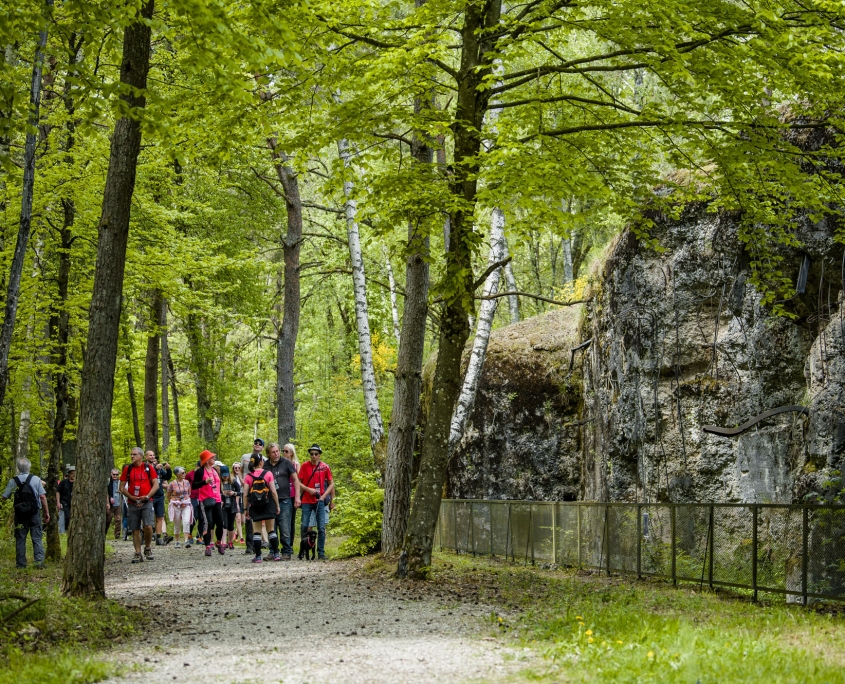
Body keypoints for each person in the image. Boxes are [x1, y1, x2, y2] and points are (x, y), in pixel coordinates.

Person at [2, 457, 49, 569]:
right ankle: (39, 563)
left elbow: (4, 497)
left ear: (18, 467)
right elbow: (42, 497)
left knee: (20, 538)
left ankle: (21, 564)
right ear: (29, 467)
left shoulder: (13, 481)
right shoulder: (36, 479)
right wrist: (46, 512)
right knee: (37, 538)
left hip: (19, 515)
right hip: (34, 513)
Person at [120, 446, 160, 563]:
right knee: (135, 528)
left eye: (134, 454)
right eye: (131, 454)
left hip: (147, 501)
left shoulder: (148, 468)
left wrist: (147, 496)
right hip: (132, 502)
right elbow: (121, 487)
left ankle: (147, 547)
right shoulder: (128, 469)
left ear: (141, 456)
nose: (132, 456)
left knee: (148, 526)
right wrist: (131, 497)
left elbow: (156, 485)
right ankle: (137, 552)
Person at [265, 442, 301, 560]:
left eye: (277, 451)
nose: (276, 454)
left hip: (285, 499)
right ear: (268, 454)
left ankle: (287, 551)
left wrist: (297, 497)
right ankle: (273, 551)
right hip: (270, 500)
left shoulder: (286, 463)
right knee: (272, 527)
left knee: (285, 527)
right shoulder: (265, 465)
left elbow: (296, 480)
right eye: (273, 452)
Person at [298, 444, 334, 560]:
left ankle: (321, 552)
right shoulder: (304, 466)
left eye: (316, 454)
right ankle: (303, 550)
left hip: (319, 500)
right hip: (306, 501)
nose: (313, 456)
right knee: (304, 525)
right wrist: (308, 489)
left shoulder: (325, 467)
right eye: (312, 454)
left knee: (321, 527)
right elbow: (298, 482)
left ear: (319, 455)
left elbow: (331, 483)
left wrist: (325, 497)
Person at [243, 453, 280, 563]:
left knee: (257, 532)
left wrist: (245, 509)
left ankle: (258, 556)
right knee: (271, 530)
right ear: (261, 462)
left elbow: (245, 495)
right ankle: (276, 554)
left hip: (255, 506)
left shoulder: (248, 476)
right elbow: (273, 492)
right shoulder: (268, 473)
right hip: (268, 505)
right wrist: (277, 505)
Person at [191, 450, 225, 556]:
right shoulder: (200, 472)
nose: (214, 459)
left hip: (217, 500)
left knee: (220, 523)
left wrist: (221, 496)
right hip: (205, 500)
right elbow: (194, 486)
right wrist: (204, 482)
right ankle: (207, 546)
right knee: (208, 523)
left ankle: (218, 542)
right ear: (206, 460)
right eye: (212, 458)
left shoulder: (215, 470)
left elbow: (218, 485)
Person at [240, 439, 264, 554]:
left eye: (260, 444)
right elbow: (240, 470)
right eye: (256, 443)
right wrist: (241, 481)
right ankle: (249, 545)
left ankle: (258, 543)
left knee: (259, 518)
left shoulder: (265, 459)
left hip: (260, 492)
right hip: (247, 491)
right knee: (248, 518)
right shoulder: (245, 456)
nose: (257, 445)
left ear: (263, 447)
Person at [146, 451, 173, 545]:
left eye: (153, 455)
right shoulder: (145, 467)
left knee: (160, 517)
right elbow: (147, 476)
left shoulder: (159, 468)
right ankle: (144, 535)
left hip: (159, 496)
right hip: (149, 496)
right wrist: (154, 467)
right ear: (146, 457)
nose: (152, 456)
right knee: (147, 518)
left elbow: (167, 477)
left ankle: (158, 537)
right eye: (150, 455)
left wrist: (169, 469)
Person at [166, 467, 193, 548]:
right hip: (176, 505)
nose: (184, 474)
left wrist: (185, 499)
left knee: (186, 521)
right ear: (177, 474)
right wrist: (172, 502)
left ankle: (186, 540)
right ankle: (177, 541)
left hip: (186, 504)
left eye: (184, 472)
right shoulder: (172, 484)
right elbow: (168, 494)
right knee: (177, 523)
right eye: (182, 473)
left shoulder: (187, 482)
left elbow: (189, 492)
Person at [220, 465, 240, 549]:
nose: (225, 477)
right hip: (224, 506)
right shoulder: (219, 483)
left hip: (232, 505)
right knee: (224, 524)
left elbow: (239, 492)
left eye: (226, 475)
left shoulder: (233, 482)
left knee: (231, 525)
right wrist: (222, 494)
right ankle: (223, 542)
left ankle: (230, 541)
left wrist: (233, 493)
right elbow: (215, 493)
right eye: (223, 476)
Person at [56, 466, 75, 533]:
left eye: (74, 473)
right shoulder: (64, 482)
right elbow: (58, 491)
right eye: (72, 473)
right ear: (69, 474)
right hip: (65, 502)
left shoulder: (78, 483)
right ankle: (66, 531)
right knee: (67, 516)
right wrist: (58, 502)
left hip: (74, 503)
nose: (73, 475)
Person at [231, 461, 244, 544]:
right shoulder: (231, 477)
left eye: (239, 468)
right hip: (235, 498)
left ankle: (235, 533)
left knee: (243, 520)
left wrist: (239, 476)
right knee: (238, 519)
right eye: (235, 468)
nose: (237, 469)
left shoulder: (242, 476)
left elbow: (243, 484)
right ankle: (242, 538)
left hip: (242, 498)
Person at [107, 468, 122, 539]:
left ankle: (117, 534)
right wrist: (109, 499)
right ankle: (105, 532)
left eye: (116, 474)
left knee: (118, 519)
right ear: (111, 474)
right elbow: (106, 492)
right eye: (114, 474)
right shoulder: (108, 481)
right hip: (109, 503)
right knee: (108, 519)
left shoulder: (120, 482)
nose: (115, 476)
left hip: (118, 502)